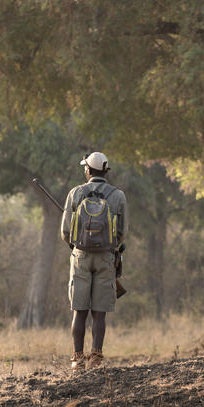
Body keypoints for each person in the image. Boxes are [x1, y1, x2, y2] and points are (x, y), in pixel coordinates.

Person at [61, 151, 127, 369]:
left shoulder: (75, 193)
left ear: (88, 170)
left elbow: (65, 232)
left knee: (79, 311)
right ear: (106, 171)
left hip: (80, 256)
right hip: (106, 258)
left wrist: (77, 245)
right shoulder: (118, 196)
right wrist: (108, 246)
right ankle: (96, 358)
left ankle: (77, 360)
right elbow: (122, 232)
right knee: (99, 312)